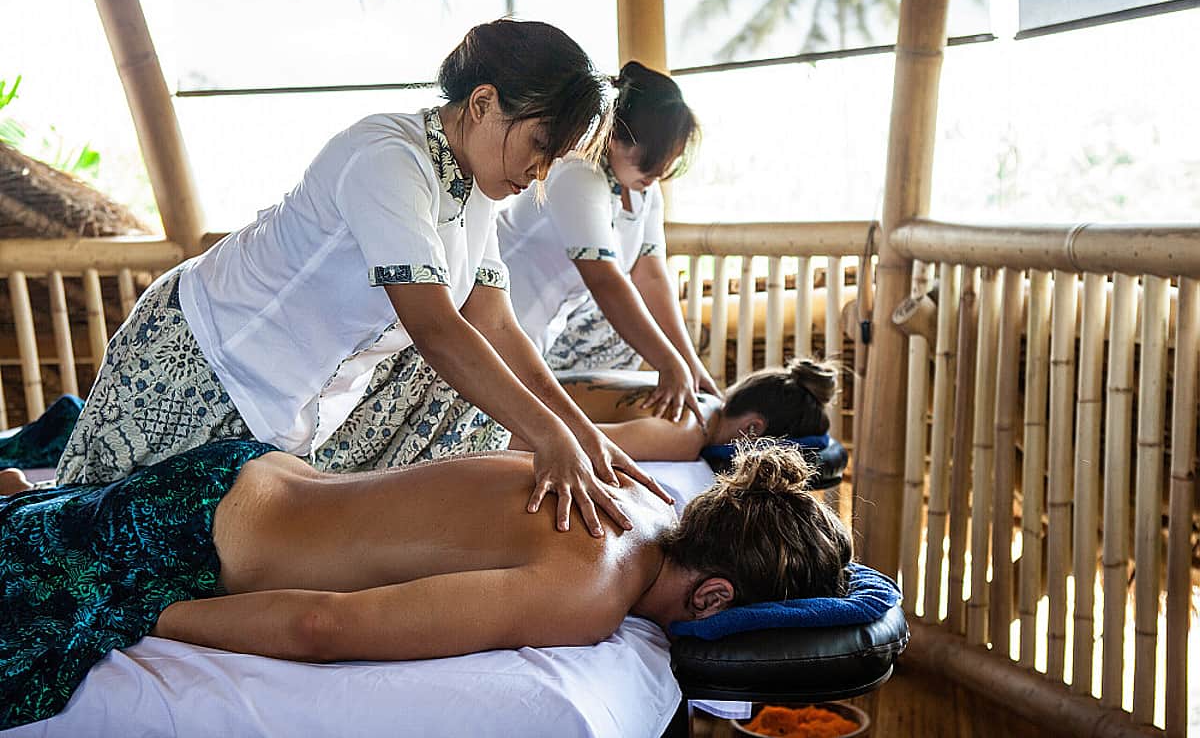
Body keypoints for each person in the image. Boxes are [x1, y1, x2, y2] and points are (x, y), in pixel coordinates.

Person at [55, 19, 667, 537]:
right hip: (200, 358)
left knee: (483, 395)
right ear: (482, 104)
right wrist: (547, 436)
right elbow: (437, 330)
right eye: (538, 144)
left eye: (552, 160)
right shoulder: (386, 156)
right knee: (88, 536)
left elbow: (497, 325)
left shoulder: (477, 191)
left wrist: (581, 435)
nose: (537, 175)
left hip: (292, 405)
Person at [0, 440, 852, 729]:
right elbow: (323, 630)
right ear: (712, 599)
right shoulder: (589, 591)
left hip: (240, 472)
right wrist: (143, 614)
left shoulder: (628, 491)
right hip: (186, 538)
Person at [496, 61, 716, 425]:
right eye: (653, 157)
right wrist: (666, 361)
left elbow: (651, 277)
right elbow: (606, 280)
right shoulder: (577, 174)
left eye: (669, 158)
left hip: (543, 328)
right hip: (503, 316)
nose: (660, 170)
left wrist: (689, 362)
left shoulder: (643, 187)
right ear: (615, 136)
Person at [510, 358, 839, 462]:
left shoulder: (700, 397)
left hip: (507, 383)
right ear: (753, 429)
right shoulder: (686, 433)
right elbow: (552, 442)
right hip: (493, 415)